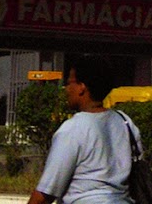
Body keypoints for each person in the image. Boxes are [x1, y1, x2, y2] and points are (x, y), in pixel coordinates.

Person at [26, 57, 137, 204]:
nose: (66, 89)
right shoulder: (125, 122)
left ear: (81, 87)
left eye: (69, 83)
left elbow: (46, 193)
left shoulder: (73, 129)